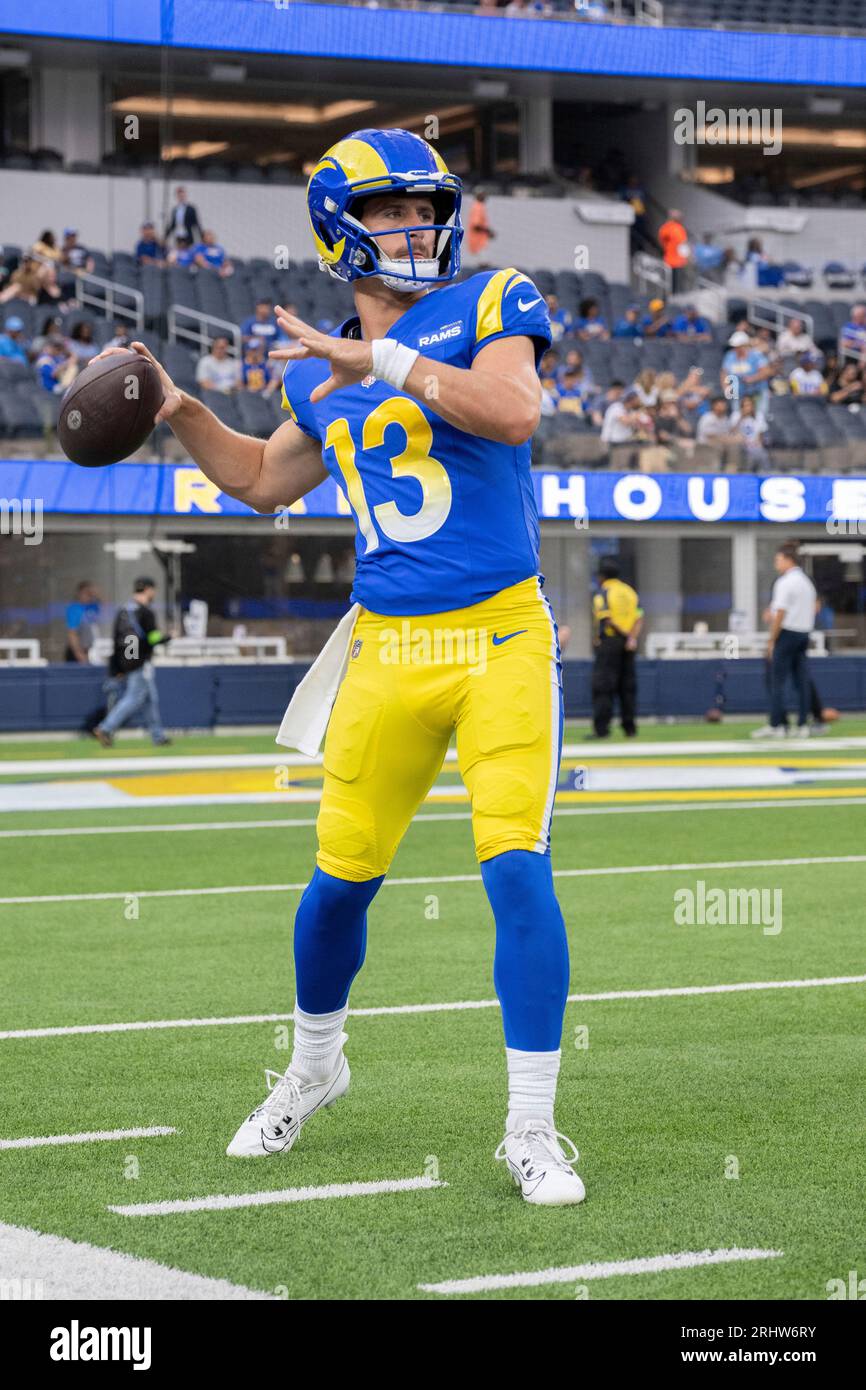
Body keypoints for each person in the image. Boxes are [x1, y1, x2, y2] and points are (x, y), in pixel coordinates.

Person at [89, 126, 585, 1205]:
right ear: (336, 229)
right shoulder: (324, 376)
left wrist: (388, 360)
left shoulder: (495, 297)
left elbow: (512, 409)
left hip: (499, 634)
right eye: (389, 210)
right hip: (386, 647)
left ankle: (531, 1127)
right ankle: (315, 1069)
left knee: (513, 867)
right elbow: (263, 482)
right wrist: (181, 413)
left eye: (425, 206)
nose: (417, 224)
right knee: (334, 889)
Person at [92, 578, 172, 747]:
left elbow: (116, 640)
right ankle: (105, 728)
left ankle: (158, 736)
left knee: (150, 699)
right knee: (134, 698)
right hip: (140, 662)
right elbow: (152, 637)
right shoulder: (145, 612)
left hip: (127, 660)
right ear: (148, 590)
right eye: (153, 590)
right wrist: (169, 637)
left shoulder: (123, 611)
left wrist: (117, 666)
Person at [751, 542, 817, 738]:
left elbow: (780, 612)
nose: (776, 563)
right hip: (803, 633)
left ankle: (777, 724)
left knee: (775, 680)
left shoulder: (785, 582)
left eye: (778, 559)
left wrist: (772, 640)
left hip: (787, 634)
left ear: (789, 560)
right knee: (801, 680)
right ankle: (803, 724)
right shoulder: (806, 582)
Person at [589, 558, 642, 739]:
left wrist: (624, 635)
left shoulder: (603, 593)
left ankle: (602, 729)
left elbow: (607, 619)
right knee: (627, 687)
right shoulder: (630, 592)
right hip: (629, 645)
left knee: (603, 686)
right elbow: (639, 617)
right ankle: (630, 729)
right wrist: (632, 638)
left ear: (601, 576)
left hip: (611, 642)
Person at [64, 581, 101, 663]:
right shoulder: (75, 609)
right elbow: (72, 633)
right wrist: (79, 653)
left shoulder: (92, 607)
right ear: (79, 593)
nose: (89, 596)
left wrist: (96, 593)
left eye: (91, 594)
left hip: (87, 651)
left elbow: (103, 603)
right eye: (87, 593)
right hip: (76, 653)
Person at [657, 208, 689, 293]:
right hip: (671, 261)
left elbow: (683, 244)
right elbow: (663, 241)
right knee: (672, 286)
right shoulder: (668, 228)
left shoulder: (678, 228)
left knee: (678, 285)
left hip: (679, 261)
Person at [465, 191, 495, 261]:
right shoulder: (477, 207)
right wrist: (488, 231)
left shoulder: (479, 206)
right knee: (480, 264)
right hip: (477, 242)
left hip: (480, 242)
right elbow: (476, 226)